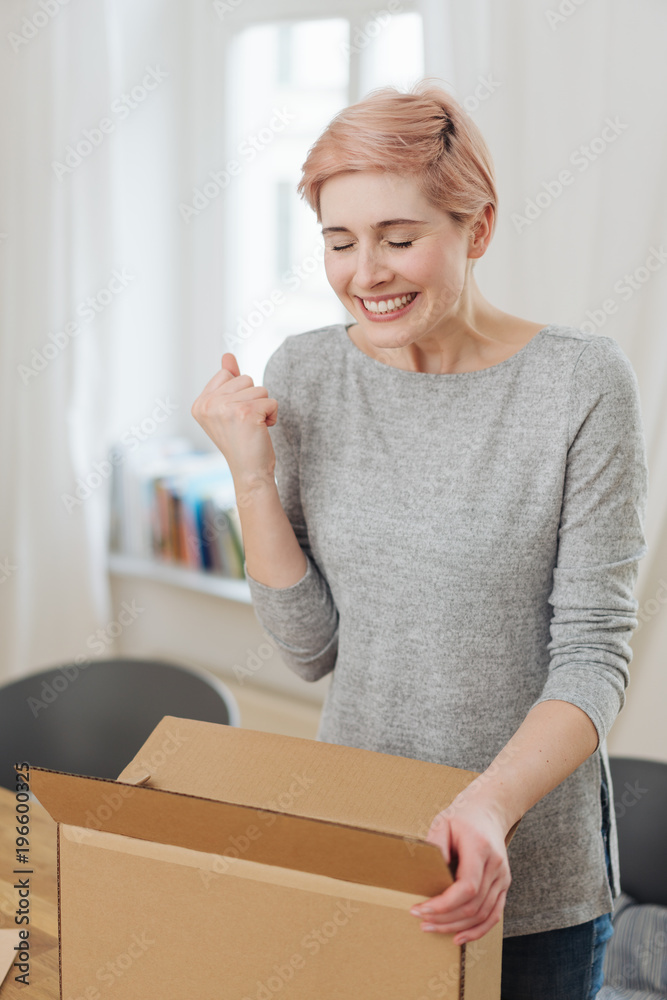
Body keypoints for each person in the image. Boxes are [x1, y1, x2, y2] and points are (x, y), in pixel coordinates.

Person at [191, 81, 649, 999]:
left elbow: (592, 654)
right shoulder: (307, 372)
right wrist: (249, 474)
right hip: (361, 840)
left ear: (475, 231)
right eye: (338, 240)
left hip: (528, 876)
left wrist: (487, 805)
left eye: (399, 239)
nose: (366, 273)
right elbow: (309, 648)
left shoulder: (580, 384)